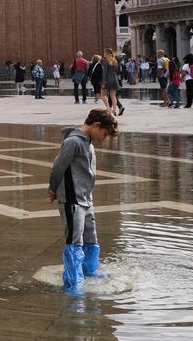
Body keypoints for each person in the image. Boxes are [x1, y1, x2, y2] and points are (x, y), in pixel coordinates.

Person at [46, 108, 120, 295]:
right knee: (74, 240)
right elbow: (57, 168)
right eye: (104, 133)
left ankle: (89, 271)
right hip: (72, 201)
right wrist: (53, 189)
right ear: (96, 125)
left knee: (90, 238)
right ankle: (72, 283)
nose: (104, 138)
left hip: (86, 199)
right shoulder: (73, 142)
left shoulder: (88, 143)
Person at [102, 49, 124, 116]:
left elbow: (104, 72)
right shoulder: (115, 61)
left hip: (108, 79)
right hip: (114, 78)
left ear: (106, 53)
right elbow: (117, 71)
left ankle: (109, 109)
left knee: (103, 95)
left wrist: (103, 82)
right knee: (113, 96)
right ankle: (114, 111)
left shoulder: (105, 61)